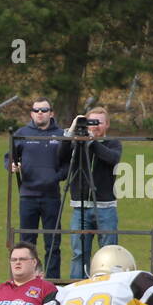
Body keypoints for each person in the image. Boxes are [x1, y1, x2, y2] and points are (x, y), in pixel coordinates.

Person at [57, 106, 122, 280]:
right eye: (91, 122)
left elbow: (112, 158)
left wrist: (92, 142)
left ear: (107, 124)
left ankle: (108, 288)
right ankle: (77, 288)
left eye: (98, 122)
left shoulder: (113, 143)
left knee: (109, 254)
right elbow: (60, 155)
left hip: (106, 207)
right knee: (79, 253)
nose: (94, 126)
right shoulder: (77, 142)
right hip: (81, 207)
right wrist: (72, 130)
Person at [6, 98, 66, 279]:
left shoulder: (61, 135)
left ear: (51, 113)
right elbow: (10, 157)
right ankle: (25, 280)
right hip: (28, 196)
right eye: (37, 110)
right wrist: (11, 165)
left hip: (51, 196)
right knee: (26, 243)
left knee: (53, 242)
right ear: (32, 113)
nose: (40, 113)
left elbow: (68, 163)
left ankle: (53, 281)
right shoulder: (22, 133)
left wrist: (55, 177)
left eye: (44, 110)